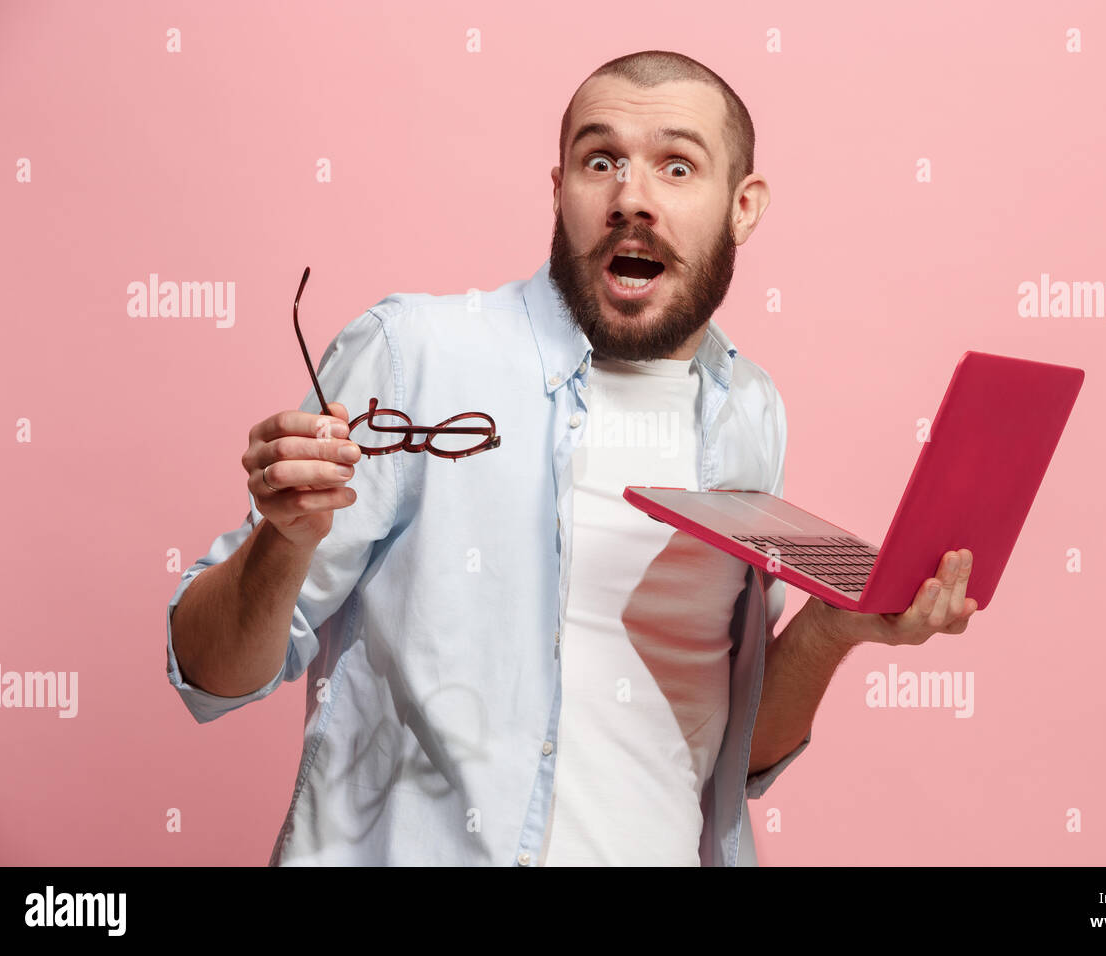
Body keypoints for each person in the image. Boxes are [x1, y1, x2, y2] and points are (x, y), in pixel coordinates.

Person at [165, 49, 977, 867]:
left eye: (676, 166)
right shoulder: (417, 354)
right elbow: (211, 673)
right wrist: (285, 538)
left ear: (744, 207)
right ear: (560, 191)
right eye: (601, 161)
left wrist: (836, 629)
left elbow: (732, 758)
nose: (632, 197)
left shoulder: (749, 408)